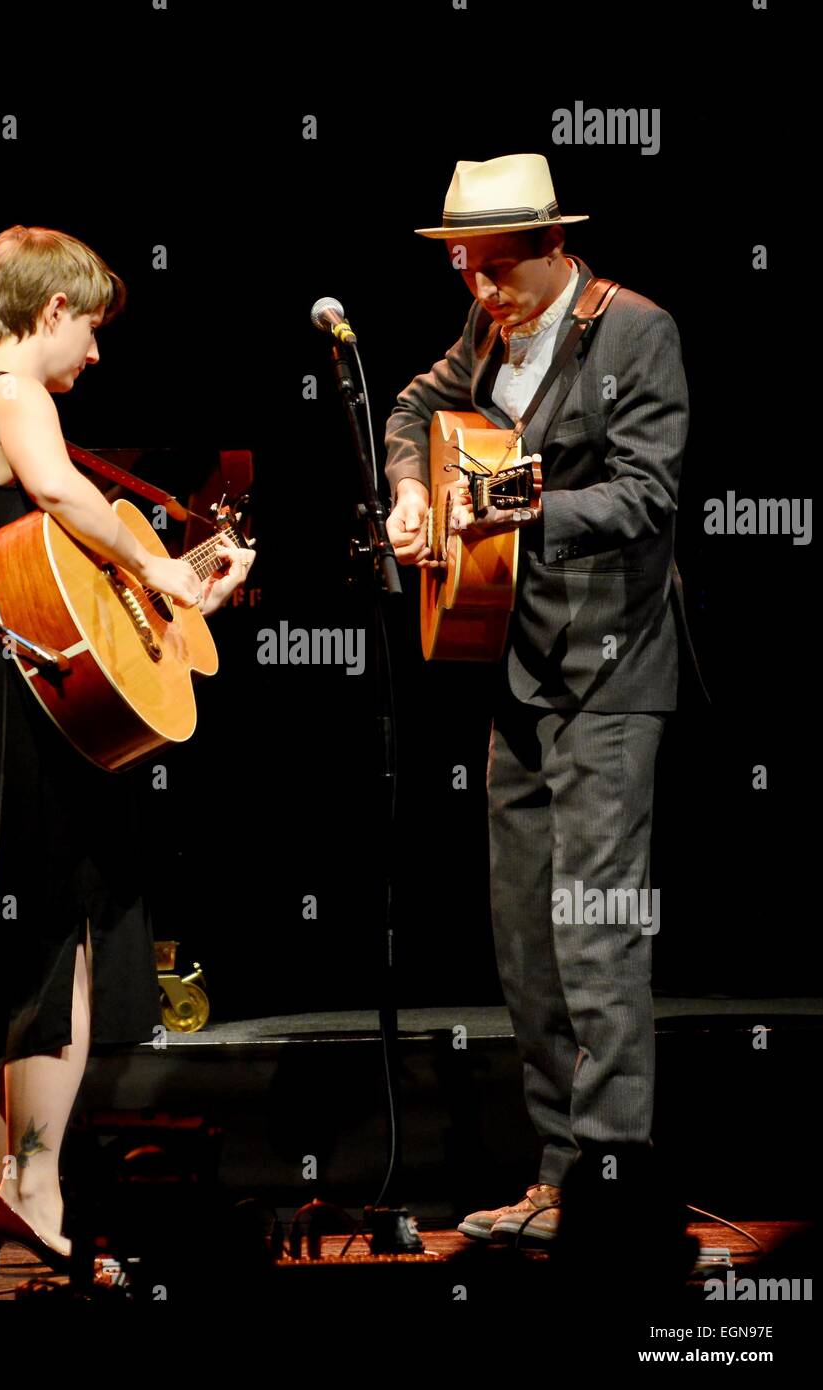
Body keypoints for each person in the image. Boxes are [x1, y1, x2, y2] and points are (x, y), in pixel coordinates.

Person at [0, 225, 256, 1271]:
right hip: (29, 701)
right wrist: (161, 575)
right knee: (60, 945)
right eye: (92, 330)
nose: (95, 357)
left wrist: (165, 585)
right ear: (51, 310)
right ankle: (34, 1182)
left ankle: (11, 1185)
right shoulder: (17, 397)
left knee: (16, 954)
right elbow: (64, 496)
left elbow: (48, 562)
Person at [383, 155, 688, 1245]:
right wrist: (416, 491)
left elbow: (644, 494)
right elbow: (417, 402)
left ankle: (609, 1187)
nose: (479, 290)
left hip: (608, 671)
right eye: (465, 268)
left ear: (553, 249)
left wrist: (493, 501)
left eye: (497, 268)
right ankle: (556, 1174)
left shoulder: (632, 330)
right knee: (524, 939)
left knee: (594, 932)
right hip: (513, 664)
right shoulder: (486, 330)